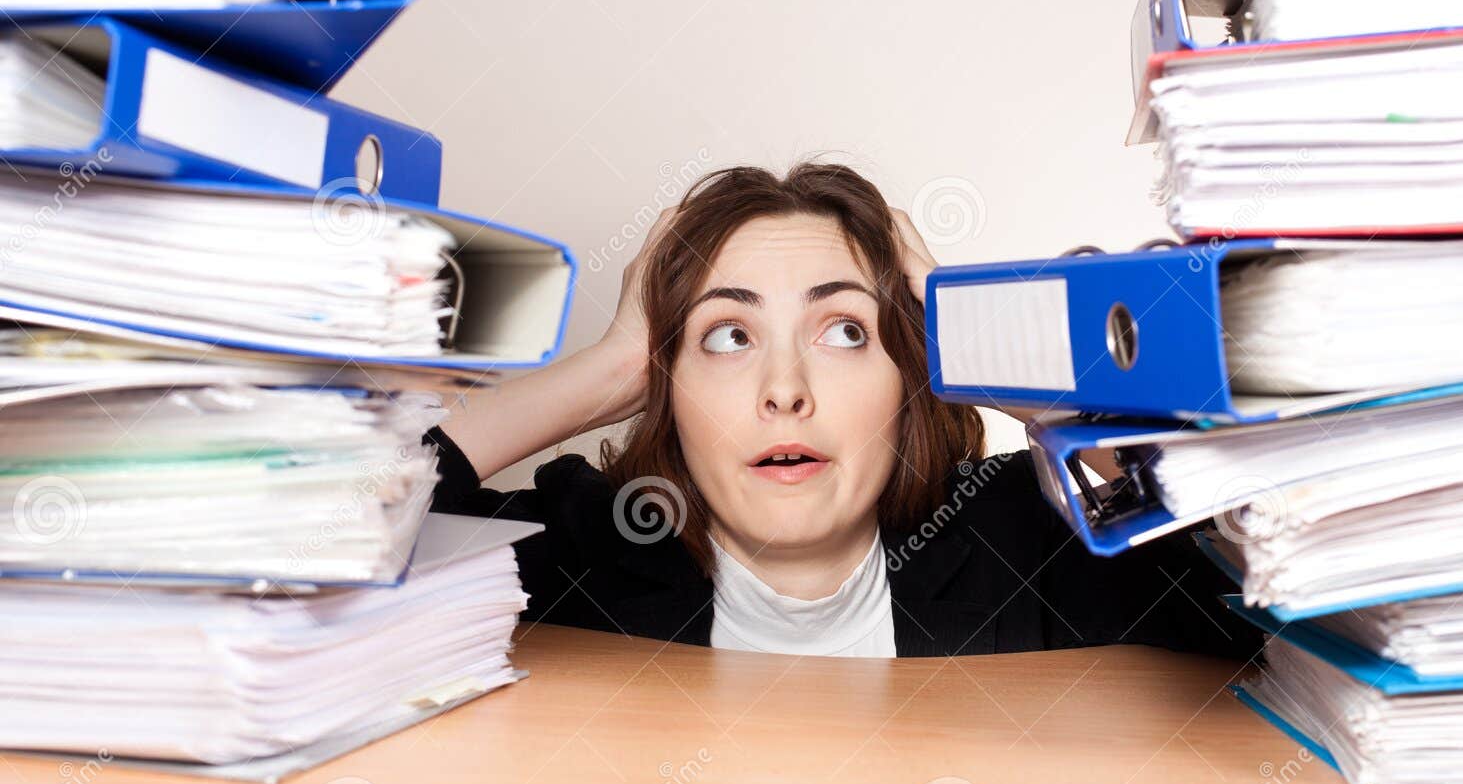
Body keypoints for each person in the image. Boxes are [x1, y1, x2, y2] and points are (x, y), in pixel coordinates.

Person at [424, 161, 1260, 660]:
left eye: (845, 330)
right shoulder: (591, 550)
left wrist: (976, 345)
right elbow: (360, 537)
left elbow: (1279, 559)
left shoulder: (1033, 540)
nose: (785, 389)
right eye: (727, 336)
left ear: (911, 371)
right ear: (666, 383)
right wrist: (611, 368)